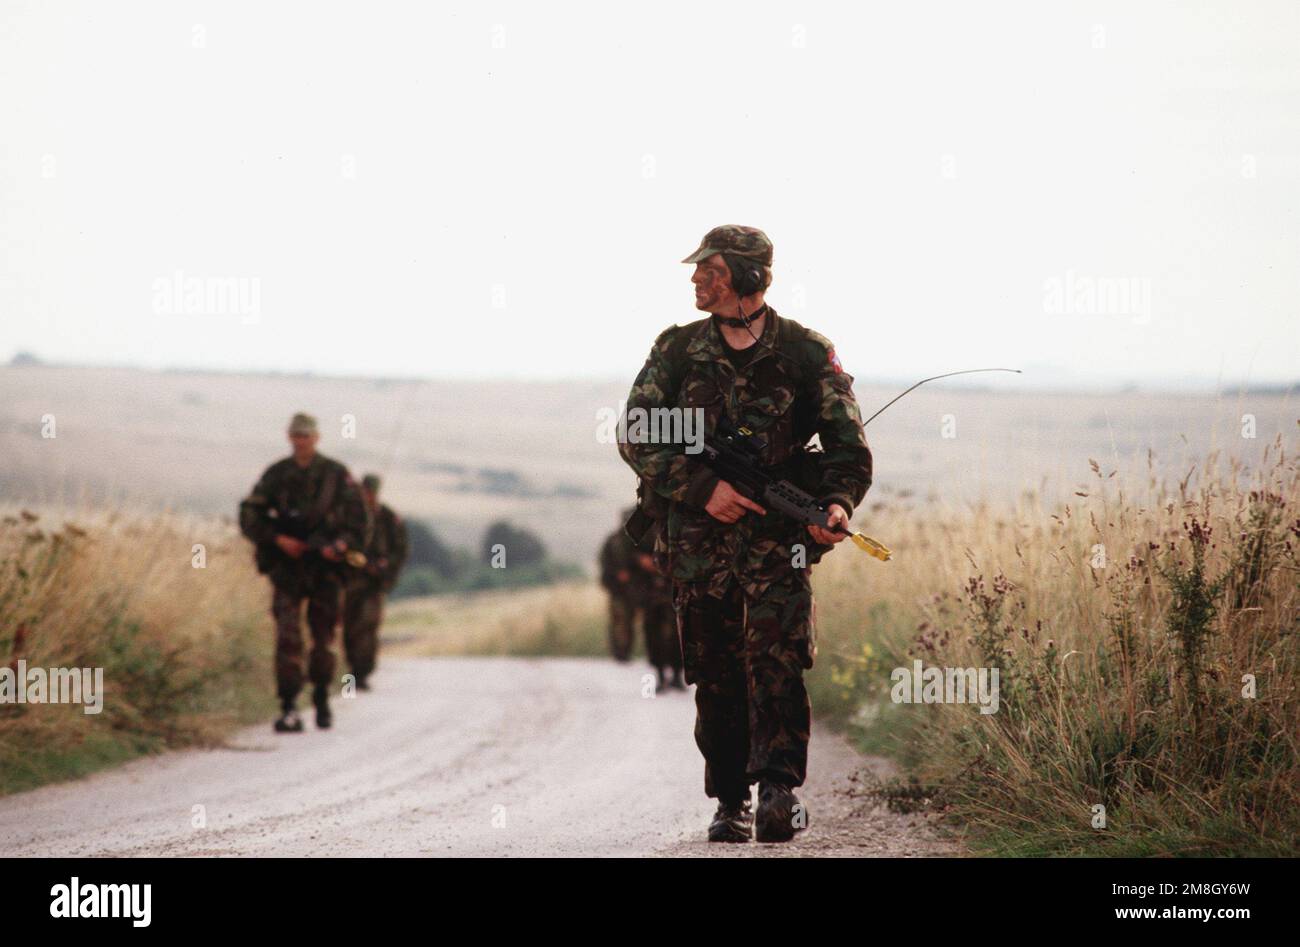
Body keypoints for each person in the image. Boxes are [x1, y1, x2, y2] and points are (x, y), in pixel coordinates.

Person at [618, 225, 872, 843]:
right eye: (699, 270)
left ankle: (779, 790)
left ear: (749, 277)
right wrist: (702, 488)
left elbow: (848, 446)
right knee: (715, 671)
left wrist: (835, 504)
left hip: (780, 541)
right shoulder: (677, 351)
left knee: (779, 660)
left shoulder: (807, 354)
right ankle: (730, 799)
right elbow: (636, 432)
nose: (697, 280)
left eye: (711, 270)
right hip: (697, 547)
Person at [238, 413, 369, 732]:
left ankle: (322, 697)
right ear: (289, 437)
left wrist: (337, 547)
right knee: (287, 638)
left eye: (306, 436)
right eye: (296, 436)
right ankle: (288, 706)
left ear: (316, 438)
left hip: (326, 572)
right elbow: (250, 514)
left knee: (323, 641)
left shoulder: (336, 475)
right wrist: (278, 540)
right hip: (288, 569)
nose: (301, 441)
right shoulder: (277, 474)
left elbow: (360, 523)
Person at [598, 510, 684, 692]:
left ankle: (676, 673)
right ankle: (659, 674)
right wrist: (640, 561)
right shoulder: (631, 532)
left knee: (677, 632)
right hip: (647, 588)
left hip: (671, 584)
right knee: (652, 630)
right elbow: (622, 558)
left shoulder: (676, 522)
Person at [341, 474, 409, 691]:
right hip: (351, 581)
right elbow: (341, 547)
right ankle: (351, 670)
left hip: (374, 584)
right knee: (350, 627)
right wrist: (359, 562)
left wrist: (384, 566)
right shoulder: (350, 516)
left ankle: (361, 673)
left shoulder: (388, 518)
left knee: (368, 625)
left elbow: (400, 549)